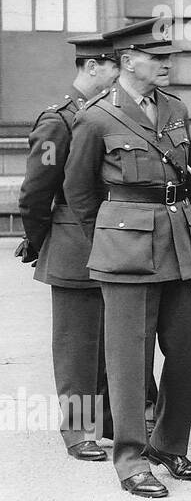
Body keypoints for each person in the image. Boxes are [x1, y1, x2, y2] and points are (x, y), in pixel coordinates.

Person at [63, 17, 191, 498]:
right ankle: (131, 460)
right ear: (128, 62)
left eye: (168, 57)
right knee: (129, 360)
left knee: (187, 350)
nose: (167, 65)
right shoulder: (98, 116)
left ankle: (169, 442)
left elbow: (188, 177)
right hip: (126, 249)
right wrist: (109, 236)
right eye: (158, 58)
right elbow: (80, 192)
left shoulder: (175, 108)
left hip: (179, 243)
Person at [15, 33, 119, 460]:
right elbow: (36, 191)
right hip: (74, 242)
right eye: (114, 67)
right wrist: (38, 240)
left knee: (112, 338)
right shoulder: (59, 120)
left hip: (115, 238)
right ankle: (78, 431)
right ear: (92, 67)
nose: (118, 75)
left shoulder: (112, 113)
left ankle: (113, 419)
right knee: (78, 344)